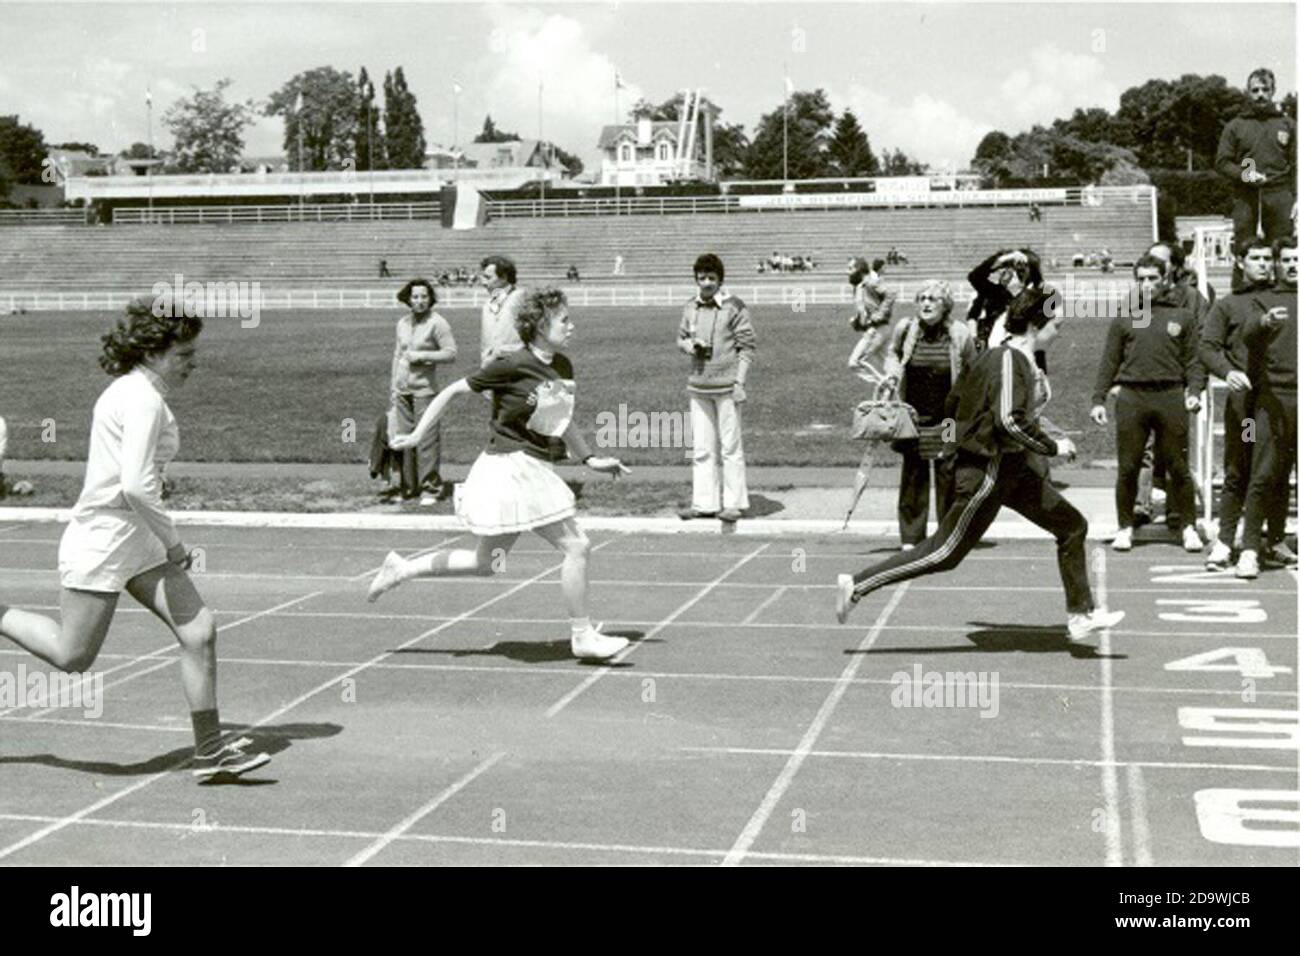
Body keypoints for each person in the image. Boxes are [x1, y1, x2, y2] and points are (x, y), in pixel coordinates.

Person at [0, 299, 269, 780]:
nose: (193, 364)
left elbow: (141, 482)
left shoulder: (135, 392)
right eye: (184, 355)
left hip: (135, 534)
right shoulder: (141, 398)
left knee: (199, 630)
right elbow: (135, 485)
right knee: (72, 656)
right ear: (151, 352)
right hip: (105, 536)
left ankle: (209, 752)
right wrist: (175, 542)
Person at [367, 287, 632, 661]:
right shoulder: (510, 364)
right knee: (577, 546)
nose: (571, 327)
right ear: (539, 326)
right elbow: (453, 392)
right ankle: (582, 635)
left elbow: (562, 418)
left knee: (485, 563)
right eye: (564, 321)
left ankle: (401, 569)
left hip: (533, 466)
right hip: (509, 467)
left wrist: (589, 459)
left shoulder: (563, 366)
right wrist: (416, 434)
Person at [835, 301, 1124, 641]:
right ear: (1034, 325)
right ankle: (856, 585)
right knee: (944, 553)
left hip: (1012, 469)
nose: (1058, 333)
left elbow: (960, 404)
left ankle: (1080, 615)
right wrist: (1052, 447)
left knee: (1072, 526)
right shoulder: (1008, 359)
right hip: (989, 470)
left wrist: (959, 439)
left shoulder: (1004, 357)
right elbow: (1007, 420)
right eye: (1055, 325)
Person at [1090, 255, 1205, 553]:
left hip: (1170, 396)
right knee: (1128, 468)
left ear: (1166, 278)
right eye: (1141, 278)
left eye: (1153, 278)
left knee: (1179, 466)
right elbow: (1109, 361)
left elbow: (1193, 361)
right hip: (1132, 397)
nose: (1147, 284)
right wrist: (1098, 399)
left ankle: (1188, 526)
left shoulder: (1182, 316)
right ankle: (1125, 527)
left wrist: (1194, 390)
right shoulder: (1126, 316)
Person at [1199, 237, 1290, 569]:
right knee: (1241, 467)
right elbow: (1208, 347)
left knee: (1278, 470)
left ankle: (1274, 538)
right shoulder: (1228, 305)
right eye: (1256, 258)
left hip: (1279, 401)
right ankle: (1226, 541)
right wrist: (1227, 372)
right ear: (1240, 261)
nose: (1264, 264)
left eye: (1268, 258)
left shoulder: (1285, 297)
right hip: (1247, 407)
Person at [880, 280, 976, 547]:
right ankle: (911, 537)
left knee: (948, 471)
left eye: (933, 299)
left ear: (945, 304)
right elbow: (893, 355)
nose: (926, 303)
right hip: (913, 413)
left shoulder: (959, 333)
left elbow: (973, 369)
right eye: (921, 298)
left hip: (947, 416)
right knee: (913, 473)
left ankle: (948, 534)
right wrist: (891, 374)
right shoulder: (906, 329)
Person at [1235, 236, 1298, 578]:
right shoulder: (1264, 300)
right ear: (1277, 264)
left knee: (1288, 477)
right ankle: (1248, 549)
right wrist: (1264, 323)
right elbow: (1247, 335)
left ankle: (1278, 541)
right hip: (1273, 399)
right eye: (1286, 259)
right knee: (1262, 473)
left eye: (1297, 259)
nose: (1292, 265)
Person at [678, 253, 755, 522]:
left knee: (731, 447)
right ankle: (704, 504)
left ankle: (734, 504)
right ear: (696, 280)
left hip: (727, 387)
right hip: (699, 386)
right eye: (702, 278)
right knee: (701, 448)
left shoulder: (735, 306)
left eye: (712, 278)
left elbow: (747, 346)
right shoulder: (690, 306)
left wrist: (739, 382)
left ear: (720, 279)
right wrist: (688, 345)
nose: (707, 283)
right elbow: (681, 337)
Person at [1215, 68, 1297, 290]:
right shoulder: (1235, 126)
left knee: (1282, 248)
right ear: (1248, 92)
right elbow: (1222, 162)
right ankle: (1240, 299)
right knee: (1244, 247)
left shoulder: (1288, 125)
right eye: (1255, 90)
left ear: (1273, 91)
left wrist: (1297, 198)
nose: (1260, 94)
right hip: (1246, 195)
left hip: (1279, 194)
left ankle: (1286, 298)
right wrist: (1246, 175)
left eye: (1265, 89)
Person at [390, 278, 458, 504]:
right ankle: (409, 486)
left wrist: (423, 356)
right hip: (402, 391)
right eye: (415, 297)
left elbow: (450, 353)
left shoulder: (438, 323)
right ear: (408, 299)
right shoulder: (402, 323)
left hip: (425, 390)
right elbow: (397, 356)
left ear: (430, 299)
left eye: (424, 297)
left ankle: (431, 488)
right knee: (403, 438)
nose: (419, 301)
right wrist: (393, 386)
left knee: (426, 440)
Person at [966, 248, 1047, 367]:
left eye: (1019, 269)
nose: (1008, 271)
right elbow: (974, 277)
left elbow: (1037, 341)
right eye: (1007, 267)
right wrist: (1003, 258)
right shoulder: (994, 293)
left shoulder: (1035, 298)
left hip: (1022, 358)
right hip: (991, 355)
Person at [847, 257, 896, 382]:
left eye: (850, 268)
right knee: (891, 367)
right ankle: (897, 391)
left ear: (859, 269)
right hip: (879, 330)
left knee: (855, 362)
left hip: (876, 330)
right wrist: (857, 322)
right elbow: (866, 310)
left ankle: (884, 385)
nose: (846, 272)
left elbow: (890, 294)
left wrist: (878, 316)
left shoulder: (870, 283)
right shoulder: (859, 287)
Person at [479, 255, 525, 367]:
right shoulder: (488, 303)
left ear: (504, 277)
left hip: (516, 367)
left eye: (488, 278)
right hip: (490, 367)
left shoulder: (521, 299)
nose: (483, 283)